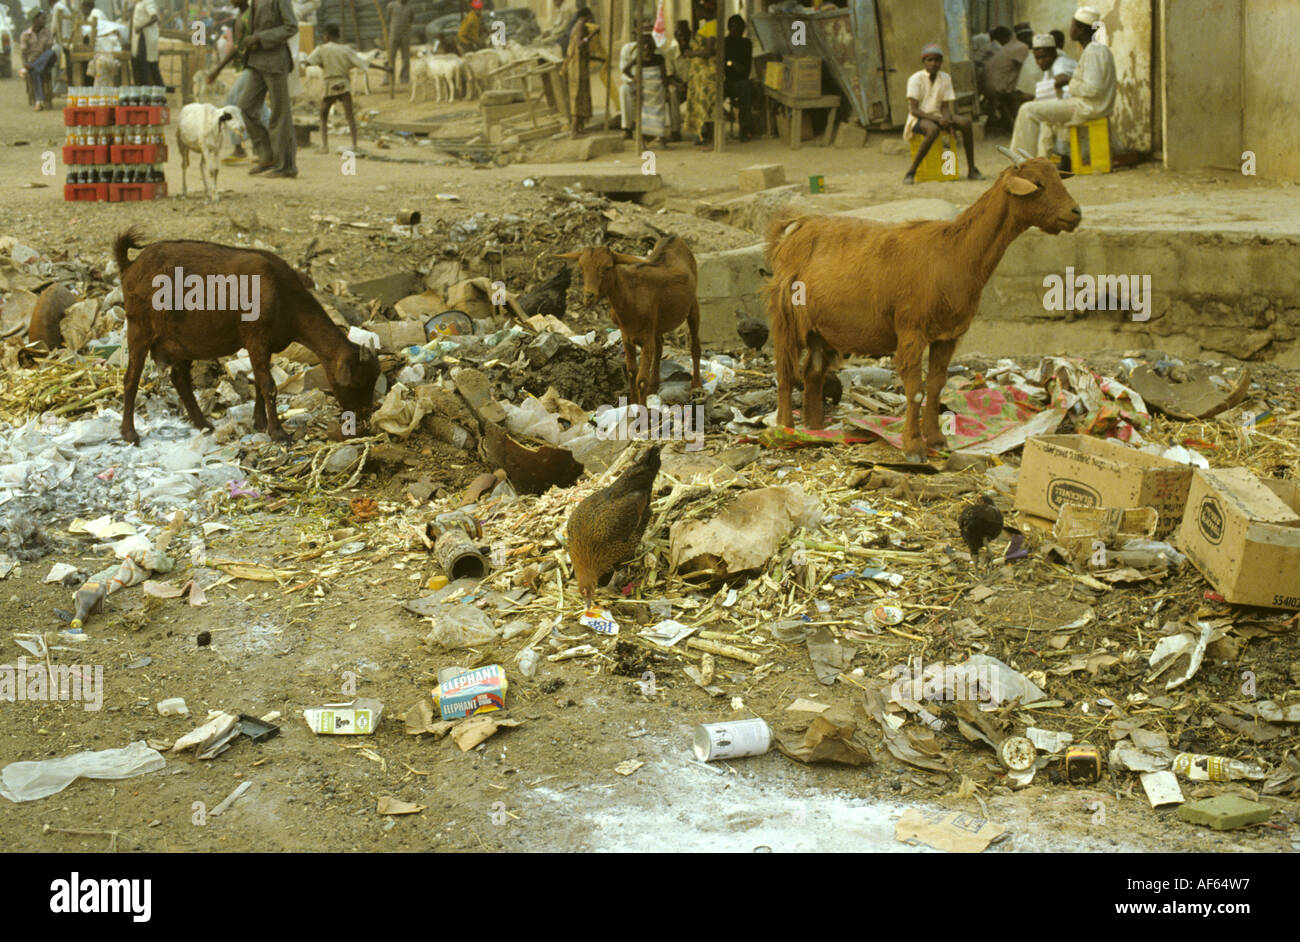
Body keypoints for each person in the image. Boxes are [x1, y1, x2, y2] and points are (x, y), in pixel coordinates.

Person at [1011, 5, 1115, 164]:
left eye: (1073, 25)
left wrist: (1069, 81)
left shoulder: (1095, 51)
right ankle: (1040, 164)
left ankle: (1019, 163)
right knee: (1045, 116)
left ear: (1080, 29)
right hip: (1088, 104)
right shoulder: (1094, 50)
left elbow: (1093, 88)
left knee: (1027, 110)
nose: (1070, 29)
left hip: (1088, 106)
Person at [901, 43, 983, 185]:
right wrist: (938, 120)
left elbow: (945, 105)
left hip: (938, 115)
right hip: (919, 118)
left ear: (941, 62)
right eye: (929, 60)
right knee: (933, 130)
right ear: (924, 61)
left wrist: (945, 118)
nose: (933, 63)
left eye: (937, 60)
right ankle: (911, 171)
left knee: (965, 123)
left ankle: (972, 169)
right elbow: (914, 110)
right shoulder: (915, 79)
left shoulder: (945, 78)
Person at [240, 0, 299, 179]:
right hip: (257, 60)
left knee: (280, 114)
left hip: (275, 61)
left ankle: (286, 166)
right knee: (245, 107)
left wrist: (261, 38)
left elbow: (291, 27)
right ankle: (267, 156)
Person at [208, 0, 269, 160]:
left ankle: (242, 147)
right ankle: (263, 146)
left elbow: (237, 47)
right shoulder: (241, 17)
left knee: (233, 102)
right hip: (250, 66)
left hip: (254, 65)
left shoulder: (250, 16)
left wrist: (218, 69)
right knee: (257, 107)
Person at [305, 22, 366, 153]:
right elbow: (362, 64)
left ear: (326, 36)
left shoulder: (321, 49)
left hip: (329, 84)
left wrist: (322, 64)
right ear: (338, 35)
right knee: (350, 116)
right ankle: (354, 145)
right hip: (343, 83)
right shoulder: (346, 49)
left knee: (323, 115)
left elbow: (308, 62)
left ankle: (324, 146)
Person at [562, 7, 606, 138]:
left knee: (582, 96)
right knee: (578, 96)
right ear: (586, 16)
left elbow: (581, 52)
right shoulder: (580, 25)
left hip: (580, 66)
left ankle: (579, 128)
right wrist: (592, 35)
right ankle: (574, 131)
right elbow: (581, 44)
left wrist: (598, 59)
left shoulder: (580, 26)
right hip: (576, 69)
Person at [680, 0, 718, 146]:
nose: (696, 14)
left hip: (708, 72)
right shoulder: (707, 26)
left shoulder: (712, 26)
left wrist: (692, 53)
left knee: (705, 99)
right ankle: (702, 133)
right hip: (700, 73)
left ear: (704, 10)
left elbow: (709, 51)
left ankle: (709, 136)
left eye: (697, 10)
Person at [982, 21, 1032, 130]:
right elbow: (1031, 69)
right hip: (999, 88)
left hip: (988, 87)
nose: (1032, 39)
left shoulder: (1011, 45)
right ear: (1025, 36)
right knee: (1032, 95)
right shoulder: (1021, 47)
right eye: (1031, 36)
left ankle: (1006, 121)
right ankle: (1021, 125)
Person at [620, 33, 668, 144]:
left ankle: (657, 137)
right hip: (648, 90)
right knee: (648, 114)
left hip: (656, 91)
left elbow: (663, 76)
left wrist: (665, 90)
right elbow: (625, 70)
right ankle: (652, 138)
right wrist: (634, 78)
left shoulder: (656, 58)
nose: (646, 49)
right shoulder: (642, 59)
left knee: (655, 114)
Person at [722, 13, 753, 142]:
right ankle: (708, 129)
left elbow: (746, 68)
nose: (738, 30)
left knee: (746, 87)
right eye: (735, 27)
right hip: (725, 80)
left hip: (739, 81)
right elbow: (724, 63)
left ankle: (744, 128)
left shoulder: (746, 43)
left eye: (740, 27)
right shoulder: (724, 42)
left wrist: (732, 64)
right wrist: (731, 63)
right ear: (730, 28)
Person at [19, 11, 56, 110]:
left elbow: (49, 47)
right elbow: (23, 53)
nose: (45, 21)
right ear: (35, 19)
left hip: (46, 60)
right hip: (33, 62)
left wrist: (28, 66)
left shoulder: (47, 32)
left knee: (51, 53)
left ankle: (27, 70)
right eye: (42, 18)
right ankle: (39, 101)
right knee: (35, 71)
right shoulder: (25, 34)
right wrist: (25, 64)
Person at [130, 0, 163, 87]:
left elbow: (154, 17)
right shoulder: (138, 4)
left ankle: (157, 87)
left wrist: (141, 26)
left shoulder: (148, 2)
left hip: (145, 36)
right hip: (139, 37)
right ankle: (141, 87)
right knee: (139, 63)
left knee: (147, 64)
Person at [385, 0, 411, 85]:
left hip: (405, 36)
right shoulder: (391, 6)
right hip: (393, 36)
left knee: (406, 58)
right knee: (390, 57)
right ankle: (388, 79)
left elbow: (411, 20)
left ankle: (404, 78)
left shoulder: (410, 8)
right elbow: (387, 19)